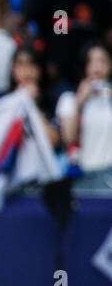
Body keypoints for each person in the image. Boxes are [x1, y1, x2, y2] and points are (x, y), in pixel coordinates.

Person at [57, 42, 112, 191]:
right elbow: (68, 138)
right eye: (91, 61)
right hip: (80, 174)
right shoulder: (69, 99)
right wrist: (79, 102)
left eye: (102, 60)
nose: (97, 67)